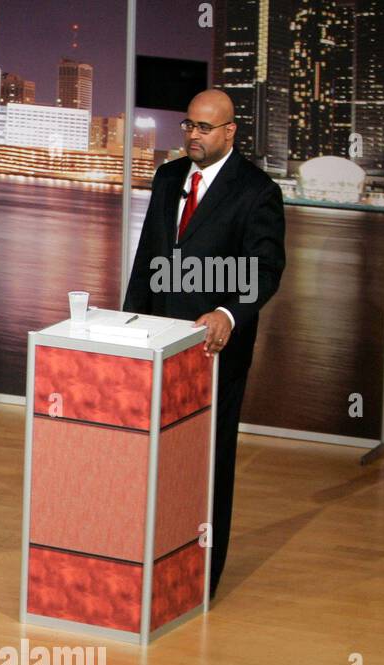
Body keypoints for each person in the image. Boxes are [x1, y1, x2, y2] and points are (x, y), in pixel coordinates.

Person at [123, 88, 286, 598]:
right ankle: (148, 558)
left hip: (216, 348)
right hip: (159, 341)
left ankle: (200, 579)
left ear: (230, 131)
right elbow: (149, 256)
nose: (192, 135)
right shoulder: (169, 177)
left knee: (208, 461)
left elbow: (265, 267)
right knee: (152, 453)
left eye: (204, 128)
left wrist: (227, 313)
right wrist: (127, 324)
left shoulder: (258, 191)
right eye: (188, 126)